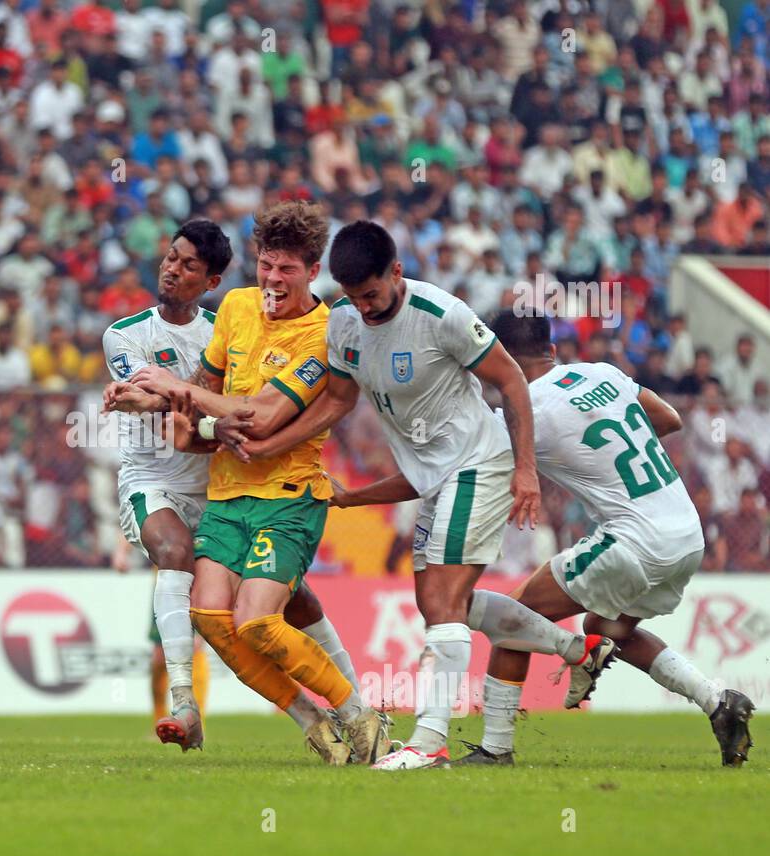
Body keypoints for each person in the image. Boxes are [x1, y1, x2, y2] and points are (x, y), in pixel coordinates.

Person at [218, 219, 541, 770]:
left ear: (396, 272)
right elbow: (337, 403)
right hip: (428, 480)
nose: (364, 309)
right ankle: (569, 647)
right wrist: (274, 442)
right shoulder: (343, 324)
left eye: (371, 294)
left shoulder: (443, 316)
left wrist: (527, 469)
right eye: (352, 298)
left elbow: (510, 379)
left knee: (442, 600)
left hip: (478, 463)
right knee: (436, 602)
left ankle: (430, 740)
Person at [102, 218, 381, 757]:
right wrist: (203, 419)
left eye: (288, 269)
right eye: (267, 265)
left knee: (266, 617)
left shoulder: (324, 332)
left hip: (285, 491)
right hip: (219, 488)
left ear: (314, 272)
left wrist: (177, 396)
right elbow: (195, 423)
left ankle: (361, 714)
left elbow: (262, 415)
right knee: (209, 614)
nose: (274, 279)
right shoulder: (232, 310)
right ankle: (303, 721)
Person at [455, 313, 754, 767]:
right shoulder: (601, 372)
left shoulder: (523, 411)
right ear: (551, 351)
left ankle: (496, 748)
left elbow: (468, 470)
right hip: (686, 535)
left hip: (636, 541)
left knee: (514, 615)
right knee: (604, 630)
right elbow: (669, 418)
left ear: (499, 362)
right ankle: (718, 702)